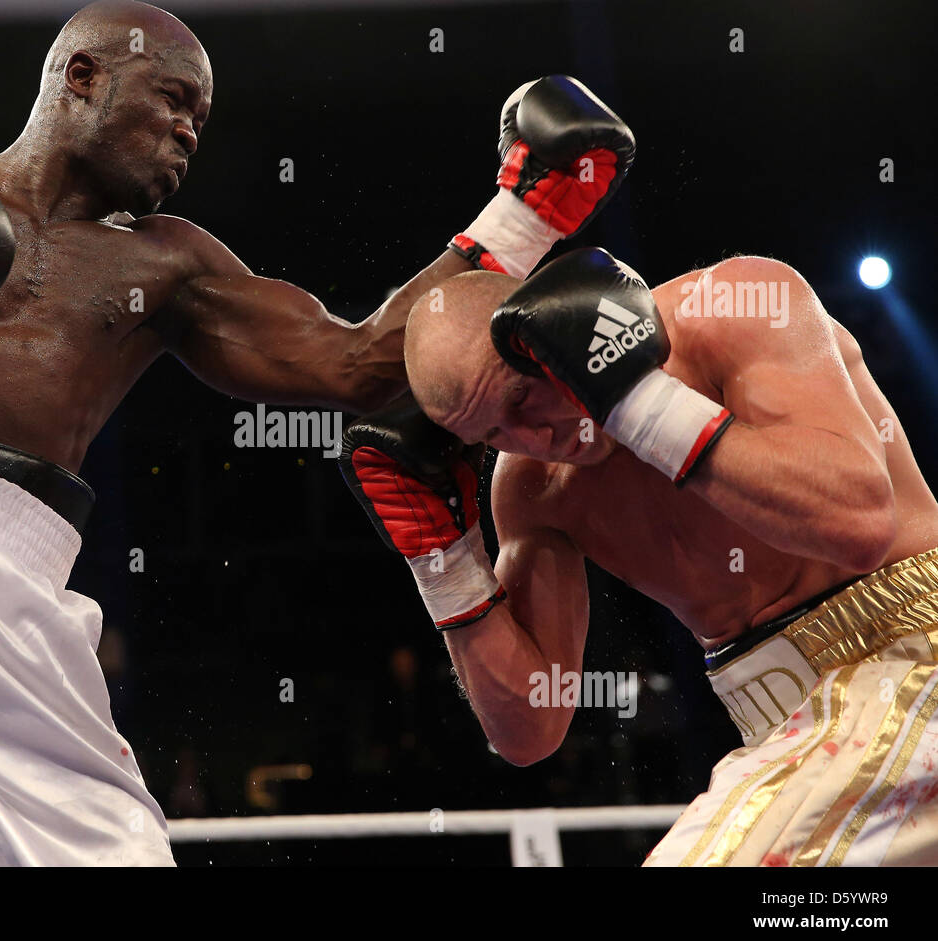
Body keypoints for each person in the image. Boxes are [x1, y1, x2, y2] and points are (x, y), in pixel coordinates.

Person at [0, 0, 633, 866]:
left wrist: (523, 214)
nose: (190, 134)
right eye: (174, 100)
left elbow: (359, 363)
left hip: (0, 575)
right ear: (82, 75)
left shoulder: (169, 266)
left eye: (201, 119)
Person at [342, 247, 938, 865]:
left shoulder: (730, 309)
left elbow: (860, 522)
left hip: (911, 659)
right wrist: (447, 566)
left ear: (543, 337)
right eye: (491, 435)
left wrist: (633, 401)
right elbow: (530, 731)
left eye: (521, 400)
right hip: (784, 726)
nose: (534, 440)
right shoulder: (532, 489)